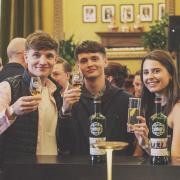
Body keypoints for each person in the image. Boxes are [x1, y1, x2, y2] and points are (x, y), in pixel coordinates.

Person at [60, 40, 135, 156]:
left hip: (118, 168)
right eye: (84, 61)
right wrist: (65, 111)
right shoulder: (70, 101)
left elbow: (134, 141)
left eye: (94, 59)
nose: (90, 64)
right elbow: (64, 144)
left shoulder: (126, 100)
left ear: (105, 61)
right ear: (78, 66)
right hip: (81, 167)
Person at [0, 31, 63, 161]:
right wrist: (12, 111)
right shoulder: (8, 87)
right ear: (26, 57)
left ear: (55, 59)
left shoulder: (57, 91)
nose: (43, 61)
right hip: (19, 169)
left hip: (53, 168)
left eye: (49, 56)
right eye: (36, 55)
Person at [128, 50, 180, 157]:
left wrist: (147, 144)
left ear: (170, 74)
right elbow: (138, 154)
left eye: (156, 71)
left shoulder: (178, 108)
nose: (150, 77)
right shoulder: (145, 105)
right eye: (146, 72)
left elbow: (176, 161)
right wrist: (142, 141)